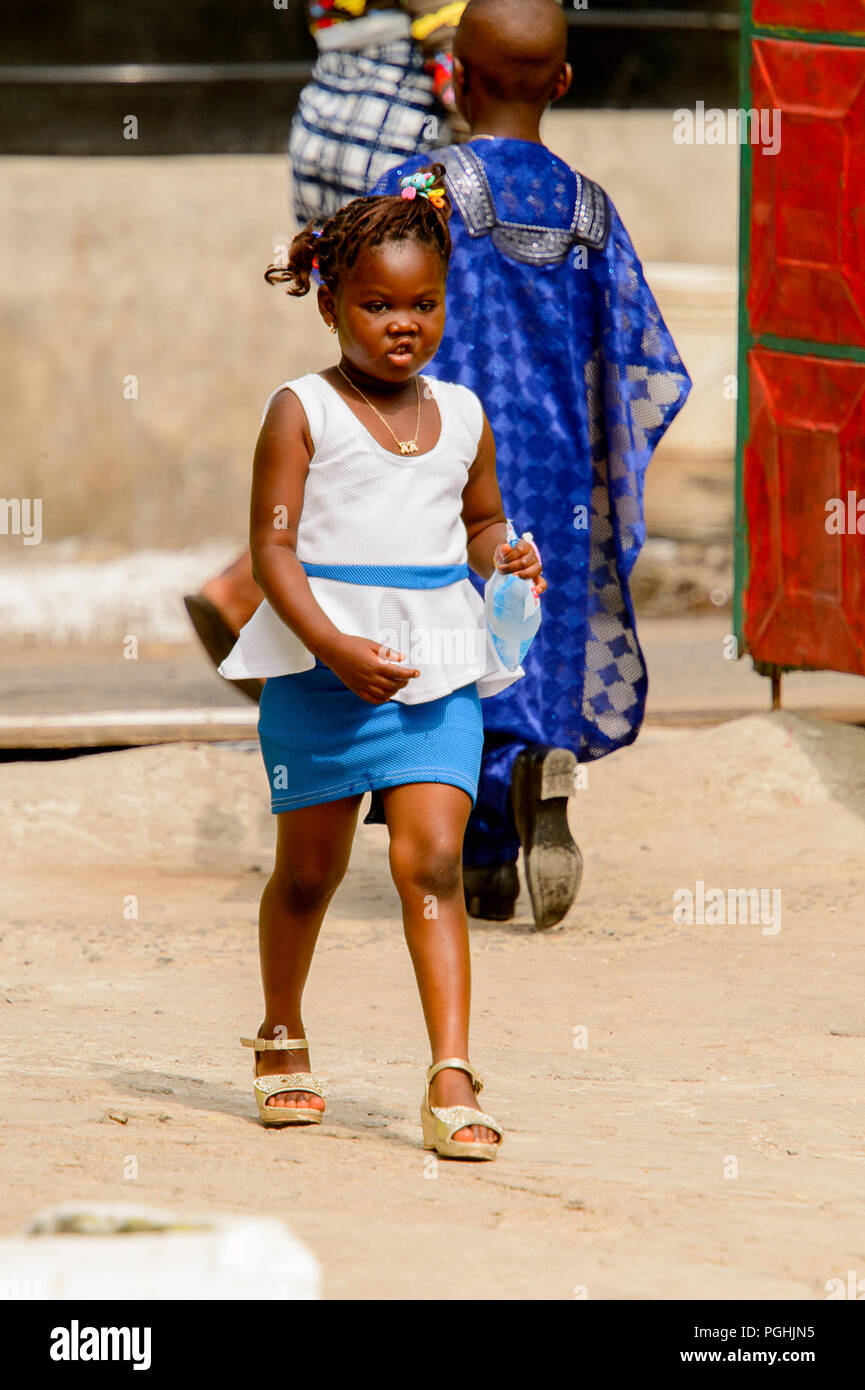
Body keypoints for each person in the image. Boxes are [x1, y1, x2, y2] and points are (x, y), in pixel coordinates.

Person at [218, 169, 547, 1156]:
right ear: (329, 303)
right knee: (308, 877)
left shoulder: (464, 412)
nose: (401, 325)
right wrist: (329, 646)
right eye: (375, 304)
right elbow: (272, 549)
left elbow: (480, 521)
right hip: (323, 673)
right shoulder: (299, 411)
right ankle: (281, 1029)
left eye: (423, 304)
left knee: (432, 862)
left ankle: (450, 1072)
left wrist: (505, 553)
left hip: (435, 669)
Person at [372, 0, 691, 928]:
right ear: (561, 83)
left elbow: (364, 293)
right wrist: (601, 459)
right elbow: (650, 362)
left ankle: (475, 840)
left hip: (441, 463)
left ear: (454, 77)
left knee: (442, 638)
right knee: (532, 626)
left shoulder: (422, 189)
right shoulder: (589, 207)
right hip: (553, 468)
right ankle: (534, 770)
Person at [184, 1, 470, 700]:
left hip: (330, 116)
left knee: (376, 400)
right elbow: (446, 24)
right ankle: (253, 590)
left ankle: (258, 593)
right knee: (415, 409)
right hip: (395, 132)